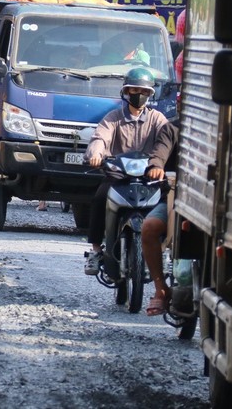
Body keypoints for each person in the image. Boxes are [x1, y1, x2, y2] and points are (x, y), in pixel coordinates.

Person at [83, 67, 177, 316]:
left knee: (166, 205)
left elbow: (165, 142)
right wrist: (95, 153)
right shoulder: (113, 118)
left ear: (150, 94)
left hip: (147, 180)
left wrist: (159, 166)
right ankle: (95, 250)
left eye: (144, 91)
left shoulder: (158, 119)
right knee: (99, 197)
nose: (139, 95)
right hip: (118, 177)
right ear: (126, 92)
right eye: (134, 91)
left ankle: (165, 252)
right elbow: (100, 138)